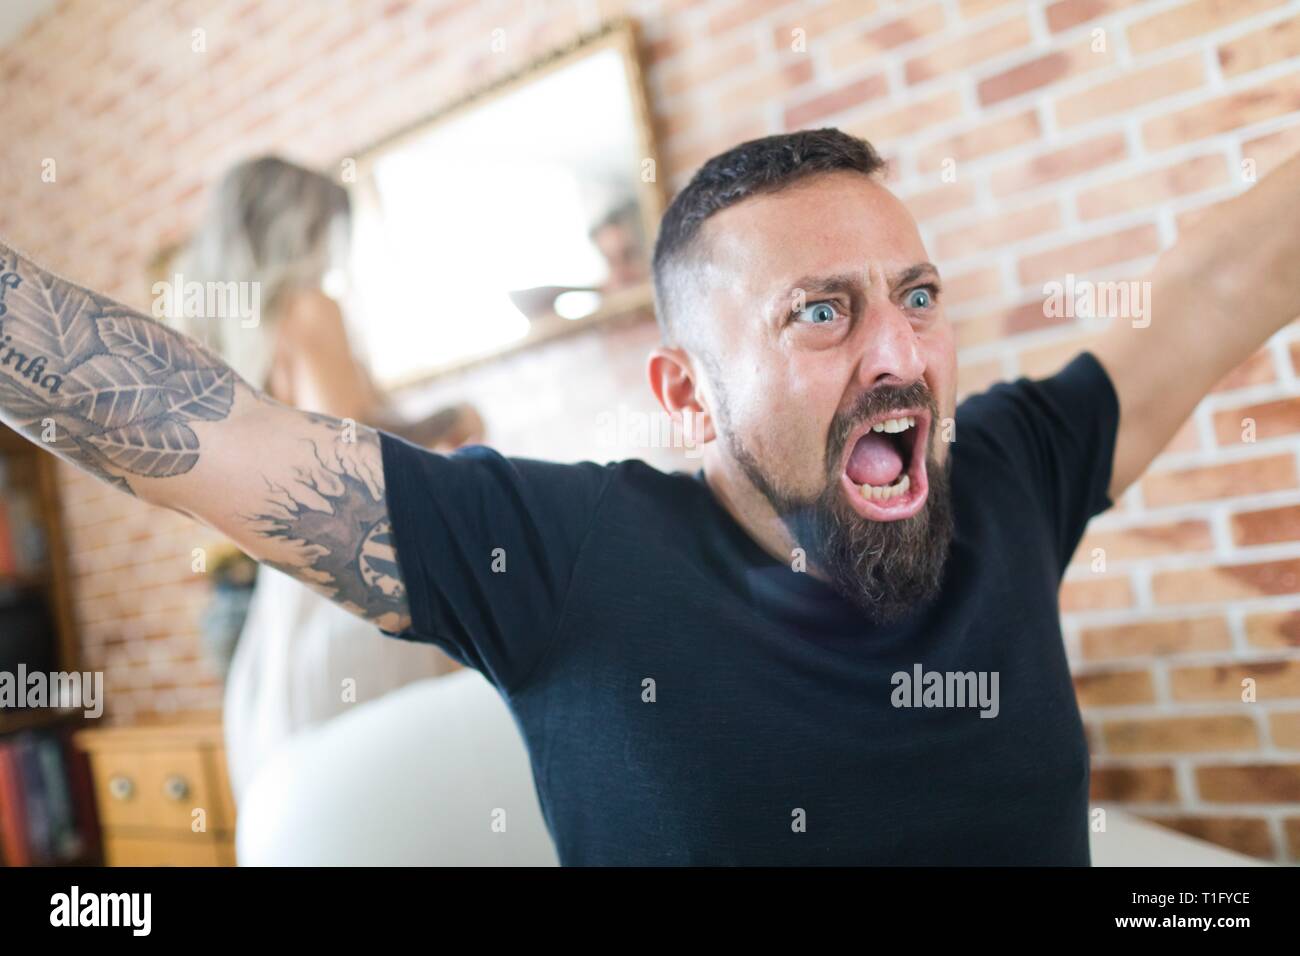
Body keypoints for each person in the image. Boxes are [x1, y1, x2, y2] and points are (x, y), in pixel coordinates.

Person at [0, 128, 1296, 864]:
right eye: (822, 313)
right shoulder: (567, 556)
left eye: (917, 295)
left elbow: (1222, 286)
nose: (899, 351)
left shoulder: (1011, 474)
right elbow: (191, 430)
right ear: (686, 396)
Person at [171, 156, 483, 801]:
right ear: (295, 227)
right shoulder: (310, 306)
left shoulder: (221, 332)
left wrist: (441, 420)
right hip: (359, 572)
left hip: (287, 583)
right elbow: (352, 451)